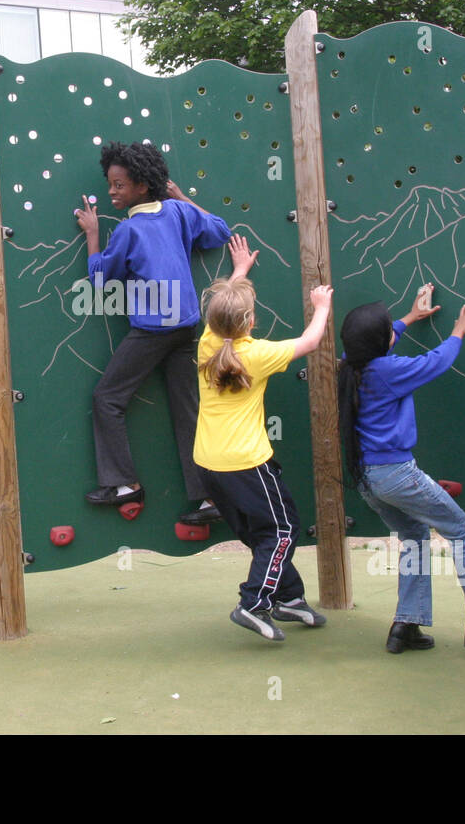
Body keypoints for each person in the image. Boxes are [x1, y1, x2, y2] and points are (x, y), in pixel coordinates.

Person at [337, 290, 465, 653]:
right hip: (397, 474)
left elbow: (373, 344)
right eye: (388, 330)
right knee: (461, 529)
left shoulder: (349, 365)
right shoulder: (388, 371)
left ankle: (406, 625)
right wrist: (458, 332)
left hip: (368, 480)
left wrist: (409, 318)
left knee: (414, 535)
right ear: (379, 342)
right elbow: (435, 362)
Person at [74, 141, 231, 524]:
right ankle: (211, 498)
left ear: (142, 186)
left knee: (107, 398)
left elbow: (99, 280)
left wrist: (93, 235)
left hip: (154, 331)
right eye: (110, 184)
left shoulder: (129, 230)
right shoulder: (177, 212)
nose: (112, 191)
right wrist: (182, 196)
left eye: (119, 185)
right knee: (188, 412)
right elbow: (219, 230)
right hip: (186, 327)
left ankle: (125, 484)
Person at [193, 236, 331, 640]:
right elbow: (311, 341)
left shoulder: (208, 344)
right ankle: (253, 602)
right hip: (247, 464)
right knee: (283, 530)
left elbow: (222, 315)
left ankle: (288, 597)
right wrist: (321, 306)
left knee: (263, 535)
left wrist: (239, 272)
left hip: (209, 465)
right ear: (251, 322)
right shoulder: (256, 354)